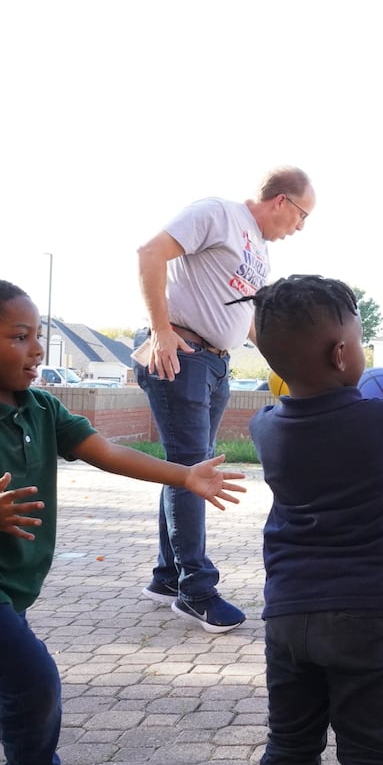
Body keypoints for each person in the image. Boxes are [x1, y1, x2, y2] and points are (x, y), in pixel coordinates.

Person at [0, 275, 245, 765]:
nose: (37, 349)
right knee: (33, 681)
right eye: (19, 337)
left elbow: (105, 452)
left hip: (12, 586)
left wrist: (185, 475)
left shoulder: (41, 408)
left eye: (38, 335)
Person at [246, 275, 383, 765]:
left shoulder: (264, 427)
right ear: (342, 354)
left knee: (289, 746)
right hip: (369, 614)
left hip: (288, 614)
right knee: (371, 750)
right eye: (362, 340)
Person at [134, 166, 315, 633]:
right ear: (281, 201)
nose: (299, 228)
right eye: (302, 216)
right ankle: (197, 591)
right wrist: (160, 331)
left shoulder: (258, 252)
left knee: (186, 468)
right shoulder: (218, 214)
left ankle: (168, 576)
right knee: (194, 469)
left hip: (214, 365)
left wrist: (290, 371)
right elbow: (151, 252)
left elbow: (247, 323)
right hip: (184, 355)